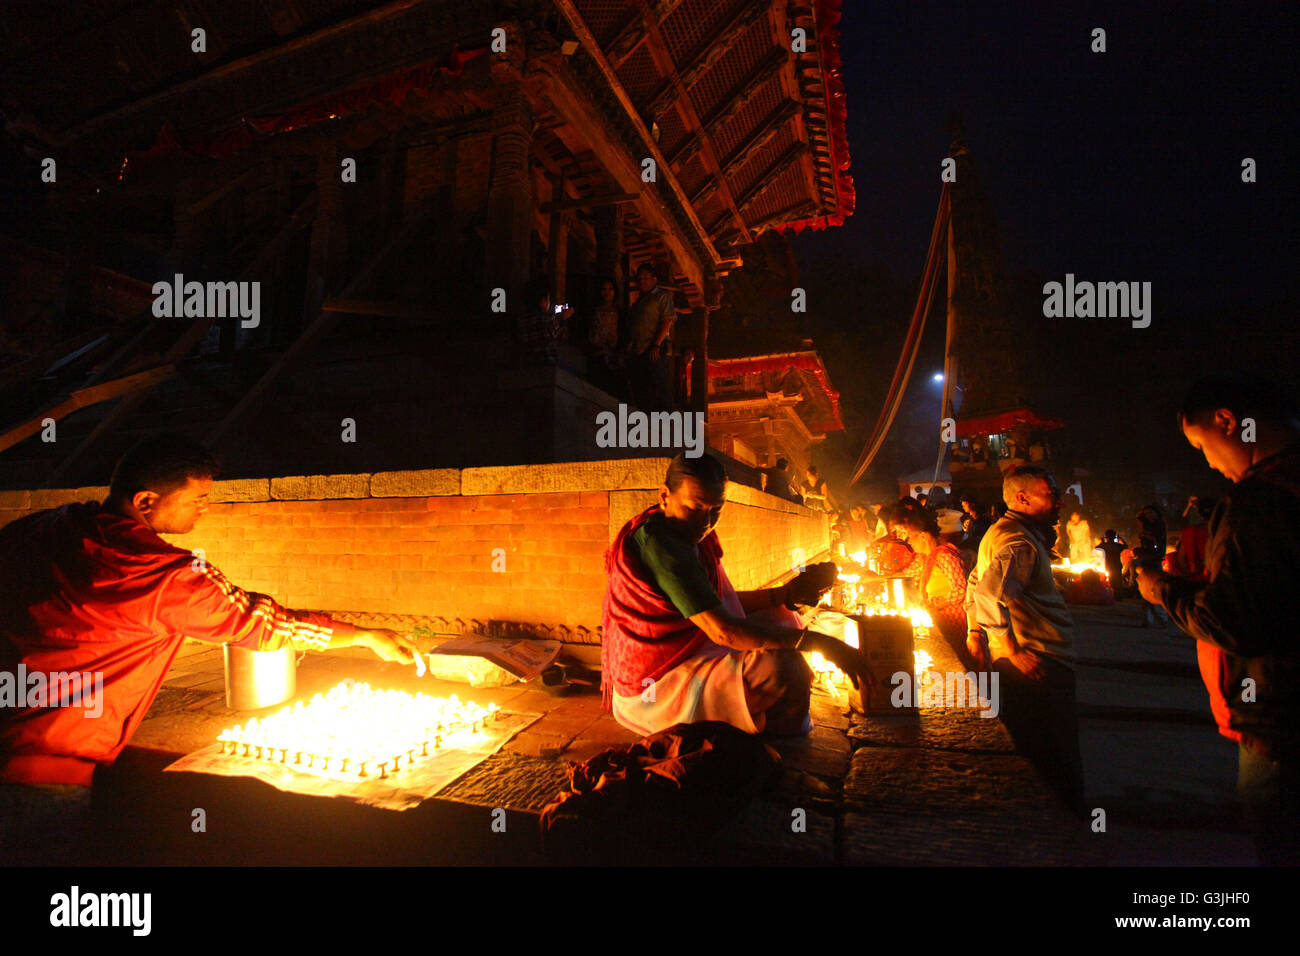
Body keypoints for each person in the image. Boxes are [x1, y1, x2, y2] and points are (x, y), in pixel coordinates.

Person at [0, 435, 417, 863]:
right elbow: (260, 623)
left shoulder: (41, 529)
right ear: (146, 500)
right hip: (46, 772)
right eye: (198, 498)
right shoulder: (164, 575)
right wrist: (364, 635)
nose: (205, 507)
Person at [1137, 374, 1300, 864]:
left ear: (1227, 421)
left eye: (1201, 444)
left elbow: (1235, 622)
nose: (1207, 461)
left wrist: (1160, 588)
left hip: (1283, 727)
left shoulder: (1259, 501)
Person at [601, 453, 870, 738]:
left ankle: (749, 717)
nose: (705, 522)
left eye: (716, 510)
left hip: (697, 641)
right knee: (789, 669)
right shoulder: (663, 548)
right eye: (696, 508)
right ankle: (770, 744)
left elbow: (716, 603)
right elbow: (724, 631)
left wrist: (783, 594)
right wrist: (822, 644)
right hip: (655, 683)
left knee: (784, 619)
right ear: (664, 495)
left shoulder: (689, 534)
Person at [964, 465, 1083, 812]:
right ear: (1022, 498)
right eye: (1051, 495)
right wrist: (1012, 649)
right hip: (1039, 661)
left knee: (1032, 749)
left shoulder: (999, 533)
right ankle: (1068, 831)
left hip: (1021, 661)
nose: (1059, 502)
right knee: (1057, 757)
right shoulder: (1019, 542)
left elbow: (974, 583)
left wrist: (976, 632)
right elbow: (988, 592)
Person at [889, 501, 972, 666]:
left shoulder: (945, 556)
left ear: (924, 536)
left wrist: (937, 603)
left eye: (911, 537)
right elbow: (905, 573)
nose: (909, 542)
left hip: (955, 623)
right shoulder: (925, 557)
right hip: (940, 619)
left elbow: (960, 590)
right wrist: (874, 577)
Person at [624, 261, 676, 412]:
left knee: (659, 384)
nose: (642, 281)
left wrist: (656, 344)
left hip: (655, 347)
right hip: (638, 349)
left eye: (646, 278)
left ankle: (667, 419)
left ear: (654, 279)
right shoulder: (639, 302)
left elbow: (668, 320)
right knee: (643, 388)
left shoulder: (661, 296)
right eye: (639, 279)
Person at [516, 279, 575, 368]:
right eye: (548, 299)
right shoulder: (543, 317)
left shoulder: (521, 317)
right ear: (543, 300)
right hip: (546, 363)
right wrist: (562, 319)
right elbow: (550, 336)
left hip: (526, 364)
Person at [1095, 530, 1128, 595]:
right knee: (1118, 581)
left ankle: (1112, 594)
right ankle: (1118, 594)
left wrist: (1102, 541)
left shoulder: (1104, 545)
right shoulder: (1117, 546)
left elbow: (1097, 548)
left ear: (1106, 537)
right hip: (1117, 565)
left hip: (1109, 565)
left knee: (1111, 581)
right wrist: (1120, 539)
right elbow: (1126, 546)